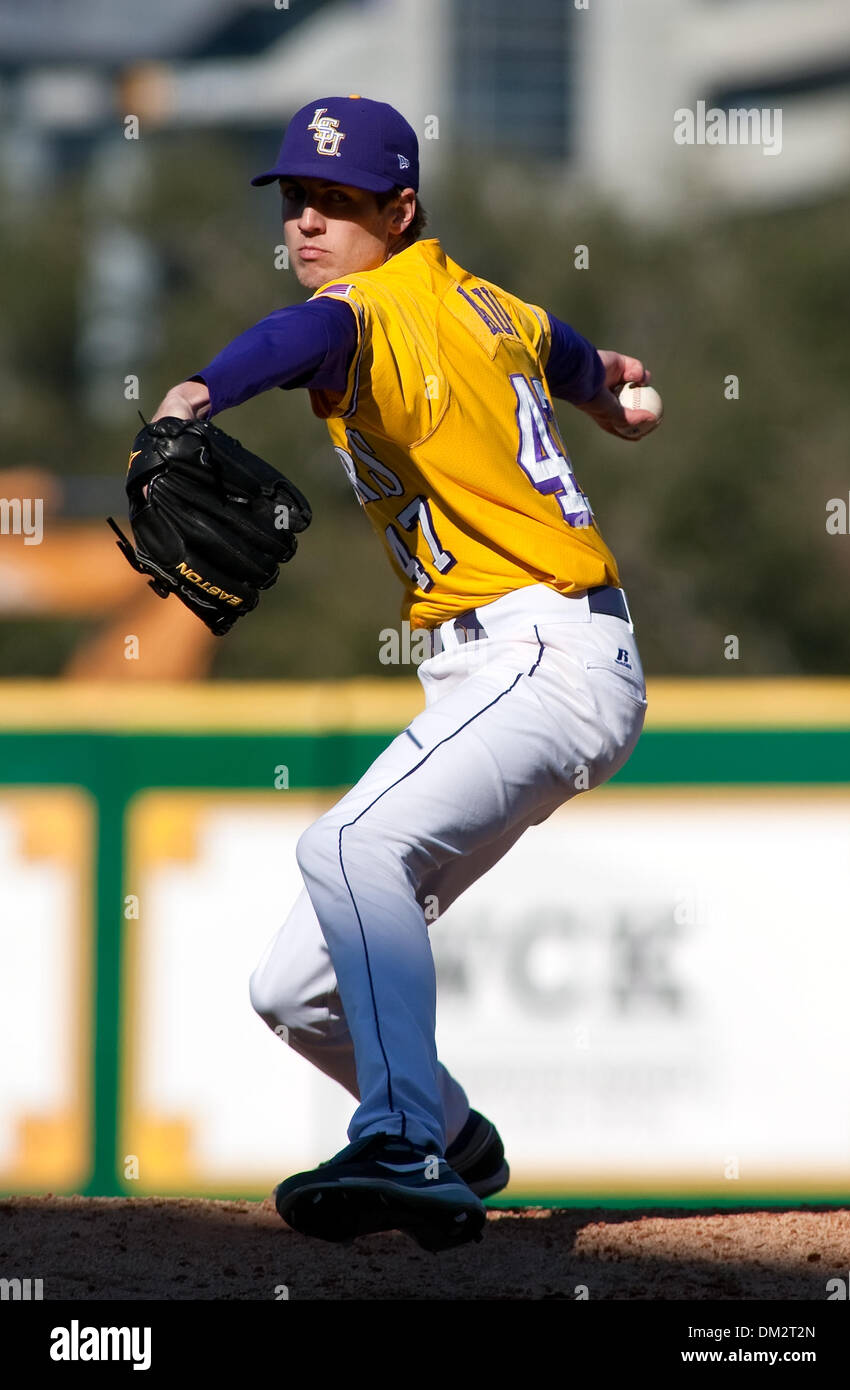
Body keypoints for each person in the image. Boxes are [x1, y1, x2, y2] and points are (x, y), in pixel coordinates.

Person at [151, 95, 658, 1254]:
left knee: (346, 845)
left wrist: (193, 393)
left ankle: (399, 1143)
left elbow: (298, 340)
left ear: (399, 208)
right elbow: (563, 346)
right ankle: (453, 1135)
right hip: (516, 664)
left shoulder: (365, 310)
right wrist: (606, 384)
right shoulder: (482, 299)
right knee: (291, 988)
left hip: (541, 650)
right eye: (295, 203)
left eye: (336, 202)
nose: (310, 224)